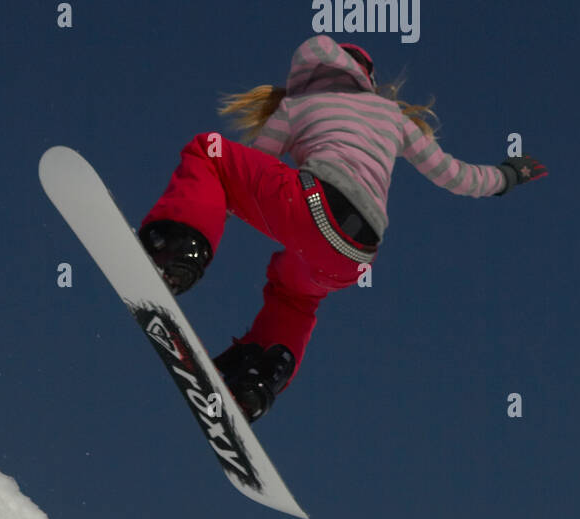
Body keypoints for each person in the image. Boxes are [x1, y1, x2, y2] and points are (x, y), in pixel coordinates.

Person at [138, 35, 547, 423]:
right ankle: (257, 377)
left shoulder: (298, 104)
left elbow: (250, 164)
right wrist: (508, 175)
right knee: (295, 296)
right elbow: (455, 176)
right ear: (367, 78)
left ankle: (176, 248)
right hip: (355, 255)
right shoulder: (394, 116)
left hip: (314, 203)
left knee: (208, 152)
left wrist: (204, 214)